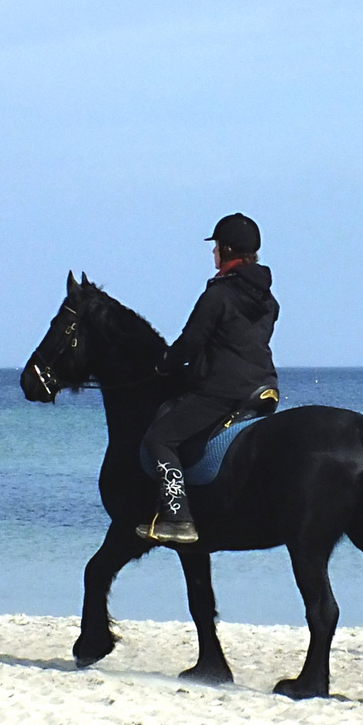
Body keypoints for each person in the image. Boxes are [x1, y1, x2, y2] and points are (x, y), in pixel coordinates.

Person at [141, 213, 280, 544]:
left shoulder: (218, 295)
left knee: (159, 439)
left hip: (223, 392)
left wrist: (164, 366)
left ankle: (178, 517)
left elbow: (191, 342)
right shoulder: (268, 300)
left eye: (216, 247)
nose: (213, 253)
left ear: (227, 249)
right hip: (264, 388)